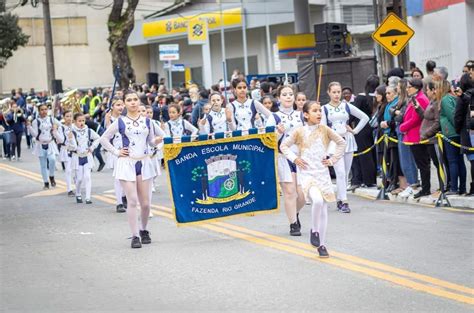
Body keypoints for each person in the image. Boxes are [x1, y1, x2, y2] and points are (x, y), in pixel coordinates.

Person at [100, 89, 164, 249]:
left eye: (135, 99)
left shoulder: (148, 121)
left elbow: (150, 141)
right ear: (125, 103)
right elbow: (104, 139)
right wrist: (116, 152)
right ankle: (135, 236)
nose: (133, 102)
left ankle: (144, 229)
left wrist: (156, 142)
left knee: (146, 204)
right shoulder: (120, 122)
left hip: (144, 162)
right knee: (132, 201)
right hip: (126, 164)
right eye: (129, 100)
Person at [280, 101, 345, 258]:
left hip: (322, 174)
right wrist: (295, 159)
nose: (319, 114)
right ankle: (314, 230)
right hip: (307, 174)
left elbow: (341, 142)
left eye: (320, 111)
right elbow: (283, 146)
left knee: (323, 207)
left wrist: (332, 159)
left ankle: (322, 244)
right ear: (306, 114)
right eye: (315, 111)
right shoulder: (299, 131)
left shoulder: (325, 130)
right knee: (316, 201)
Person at [321, 82, 369, 213]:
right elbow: (323, 128)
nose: (337, 94)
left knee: (346, 173)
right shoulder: (324, 108)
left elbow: (365, 117)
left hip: (347, 140)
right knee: (340, 173)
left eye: (338, 92)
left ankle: (340, 199)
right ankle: (344, 201)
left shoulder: (346, 106)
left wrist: (355, 131)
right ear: (328, 92)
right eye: (334, 92)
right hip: (334, 143)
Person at [265, 85, 306, 236]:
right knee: (289, 192)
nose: (288, 97)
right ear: (279, 98)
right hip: (283, 157)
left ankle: (294, 213)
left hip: (300, 158)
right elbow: (267, 141)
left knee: (303, 195)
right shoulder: (273, 117)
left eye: (290, 94)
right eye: (284, 94)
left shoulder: (301, 115)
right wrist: (277, 133)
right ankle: (293, 224)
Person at [399, 78, 431, 199]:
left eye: (409, 87)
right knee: (420, 163)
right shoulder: (415, 98)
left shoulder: (421, 98)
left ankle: (426, 188)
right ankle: (425, 187)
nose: (407, 89)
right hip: (412, 135)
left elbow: (416, 118)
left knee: (422, 164)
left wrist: (402, 127)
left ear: (416, 88)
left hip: (417, 135)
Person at [349, 75, 379, 190]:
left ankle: (361, 179)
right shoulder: (376, 98)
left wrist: (347, 124)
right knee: (371, 155)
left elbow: (353, 113)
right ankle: (371, 179)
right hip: (373, 128)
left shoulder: (361, 98)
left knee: (362, 155)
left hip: (360, 129)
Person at [438, 80, 466, 195]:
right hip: (456, 133)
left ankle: (454, 188)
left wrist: (456, 129)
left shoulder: (445, 99)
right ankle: (462, 188)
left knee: (453, 161)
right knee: (459, 161)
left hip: (451, 134)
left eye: (436, 88)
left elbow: (453, 116)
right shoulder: (452, 97)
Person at [26, 103, 62, 189]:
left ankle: (51, 176)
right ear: (39, 111)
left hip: (50, 143)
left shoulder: (52, 119)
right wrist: (29, 127)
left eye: (45, 109)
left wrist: (55, 127)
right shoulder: (36, 121)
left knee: (52, 160)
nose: (44, 111)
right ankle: (46, 182)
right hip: (40, 144)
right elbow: (35, 134)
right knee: (43, 165)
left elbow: (61, 126)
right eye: (42, 110)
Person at [69, 113, 101, 204]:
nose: (81, 122)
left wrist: (92, 147)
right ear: (75, 121)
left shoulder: (89, 131)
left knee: (87, 176)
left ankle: (88, 197)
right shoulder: (71, 131)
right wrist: (71, 139)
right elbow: (72, 147)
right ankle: (78, 194)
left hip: (87, 156)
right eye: (79, 121)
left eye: (83, 120)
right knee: (79, 179)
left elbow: (98, 138)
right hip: (77, 157)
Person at [380, 85, 406, 194]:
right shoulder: (388, 104)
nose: (387, 95)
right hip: (387, 134)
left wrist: (387, 124)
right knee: (390, 160)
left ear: (395, 93)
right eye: (386, 93)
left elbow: (396, 119)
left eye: (389, 93)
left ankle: (396, 182)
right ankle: (391, 182)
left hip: (394, 134)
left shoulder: (397, 103)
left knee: (396, 160)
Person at [104, 98, 127, 213]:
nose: (121, 107)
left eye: (122, 105)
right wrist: (107, 122)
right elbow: (108, 136)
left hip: (127, 152)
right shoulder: (109, 119)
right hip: (116, 152)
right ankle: (119, 203)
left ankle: (123, 196)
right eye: (118, 105)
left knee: (126, 178)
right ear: (112, 106)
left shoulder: (124, 119)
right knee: (118, 178)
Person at [454, 72, 474, 195]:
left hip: (467, 131)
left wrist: (457, 130)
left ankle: (473, 188)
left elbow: (458, 116)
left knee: (472, 160)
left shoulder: (464, 97)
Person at [57, 110, 75, 196]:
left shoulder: (75, 126)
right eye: (67, 116)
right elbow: (60, 140)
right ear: (64, 118)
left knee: (78, 170)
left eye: (70, 116)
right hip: (66, 150)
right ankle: (69, 189)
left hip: (76, 150)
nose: (69, 118)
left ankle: (76, 181)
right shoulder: (61, 128)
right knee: (68, 170)